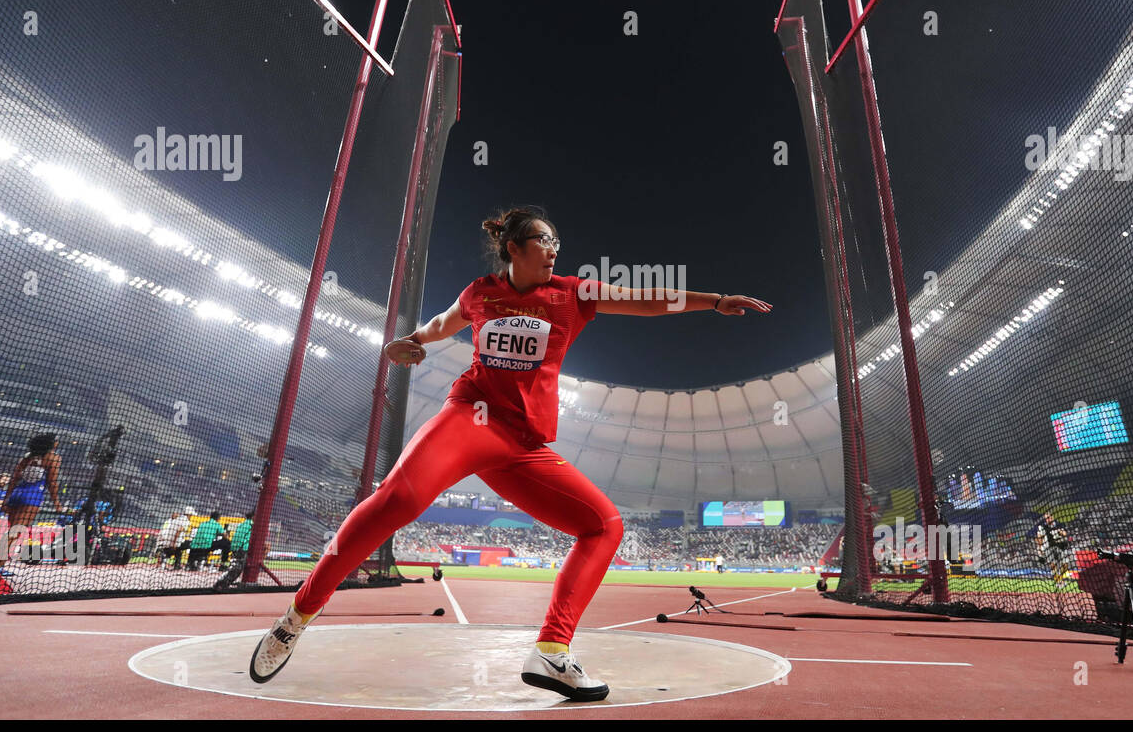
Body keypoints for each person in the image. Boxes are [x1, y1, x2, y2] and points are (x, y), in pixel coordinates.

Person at [250, 205, 773, 700]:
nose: (554, 250)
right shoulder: (481, 293)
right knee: (398, 503)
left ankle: (551, 651)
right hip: (470, 421)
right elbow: (444, 322)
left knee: (604, 525)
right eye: (544, 241)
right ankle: (297, 617)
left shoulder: (574, 294)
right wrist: (410, 340)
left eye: (557, 242)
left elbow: (645, 299)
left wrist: (714, 299)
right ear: (514, 248)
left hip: (523, 447)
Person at [4, 433, 62, 532]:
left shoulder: (28, 456)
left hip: (16, 494)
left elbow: (15, 479)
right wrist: (57, 503)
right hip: (32, 496)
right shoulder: (53, 458)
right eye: (57, 441)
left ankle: (2, 547)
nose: (58, 443)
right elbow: (52, 482)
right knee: (15, 533)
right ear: (52, 444)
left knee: (11, 531)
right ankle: (2, 548)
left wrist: (6, 498)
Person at [1035, 512, 1072, 589]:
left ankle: (1060, 578)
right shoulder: (1043, 527)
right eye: (1046, 518)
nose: (1047, 520)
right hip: (1048, 548)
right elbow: (1039, 538)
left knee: (1065, 565)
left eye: (1049, 517)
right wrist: (1040, 549)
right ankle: (1058, 582)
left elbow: (1065, 534)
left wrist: (1060, 532)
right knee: (1053, 565)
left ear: (1053, 517)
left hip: (1060, 547)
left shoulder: (1059, 524)